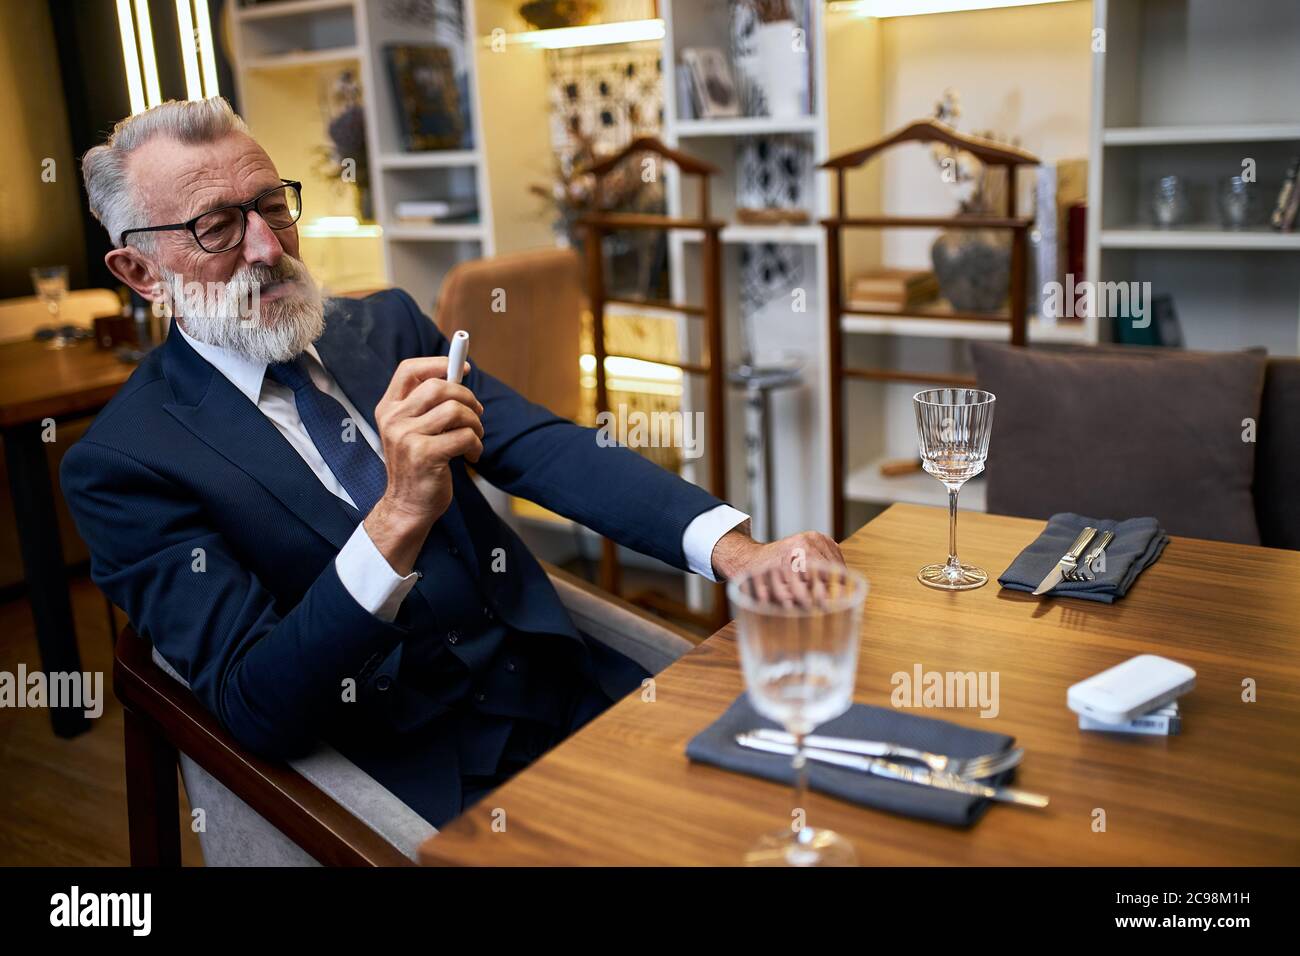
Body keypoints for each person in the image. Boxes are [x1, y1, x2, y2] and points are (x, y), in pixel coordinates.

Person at [62, 97, 844, 826]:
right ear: (140, 273)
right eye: (217, 228)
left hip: (565, 692)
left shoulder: (385, 326)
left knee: (804, 804)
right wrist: (398, 513)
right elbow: (255, 700)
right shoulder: (126, 465)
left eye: (271, 205)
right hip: (413, 777)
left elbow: (542, 446)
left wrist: (740, 554)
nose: (267, 246)